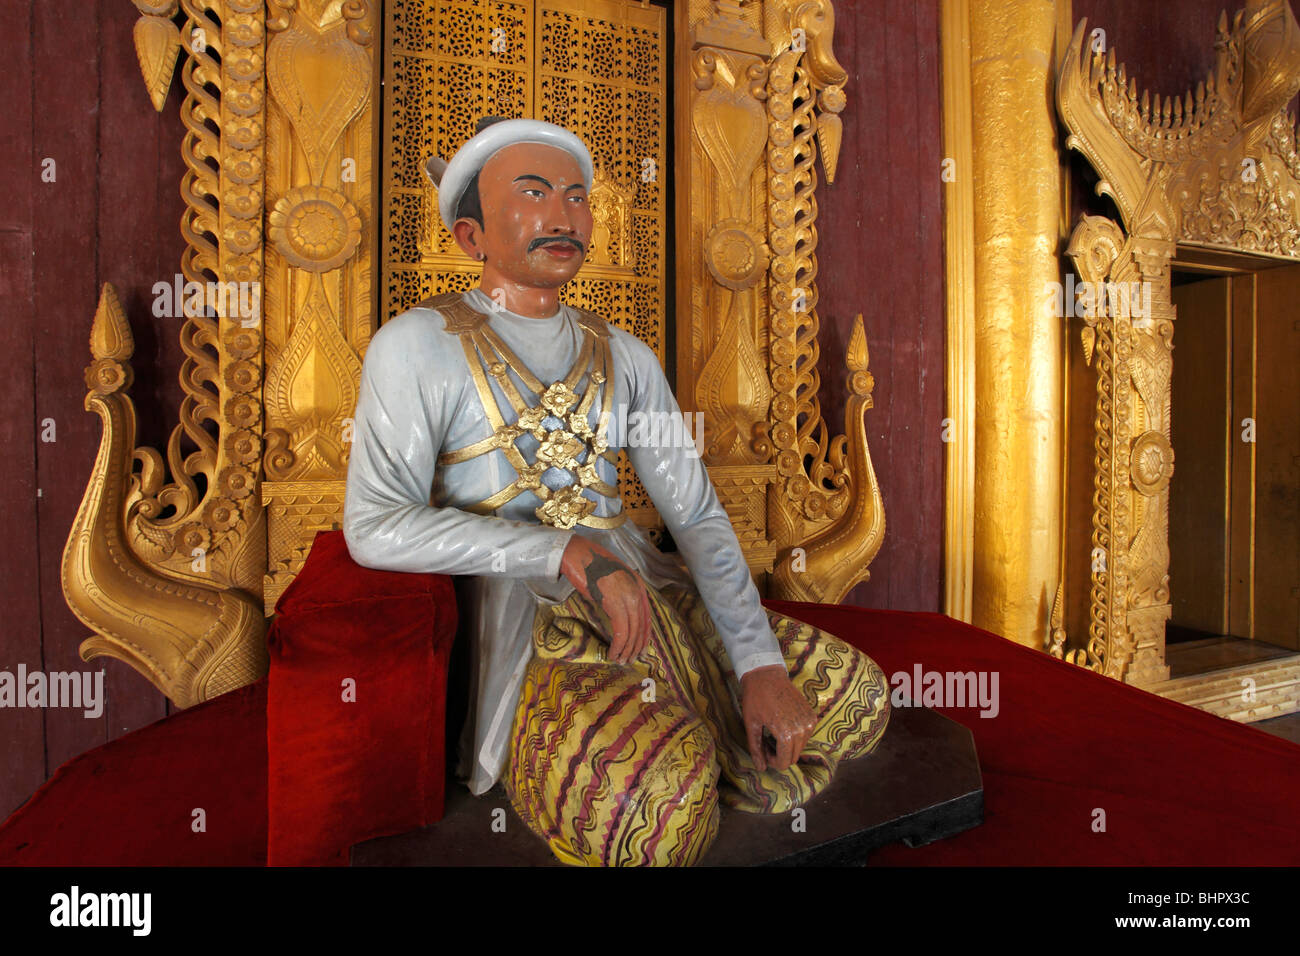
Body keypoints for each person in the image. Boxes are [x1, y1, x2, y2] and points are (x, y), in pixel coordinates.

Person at [343, 117, 890, 866]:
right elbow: (375, 525)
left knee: (857, 697)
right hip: (529, 619)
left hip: (645, 589)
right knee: (659, 806)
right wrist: (559, 550)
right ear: (471, 237)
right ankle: (651, 750)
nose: (564, 215)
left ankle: (704, 714)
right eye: (534, 194)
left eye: (577, 196)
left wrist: (757, 663)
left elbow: (692, 512)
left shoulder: (625, 357)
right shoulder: (416, 346)